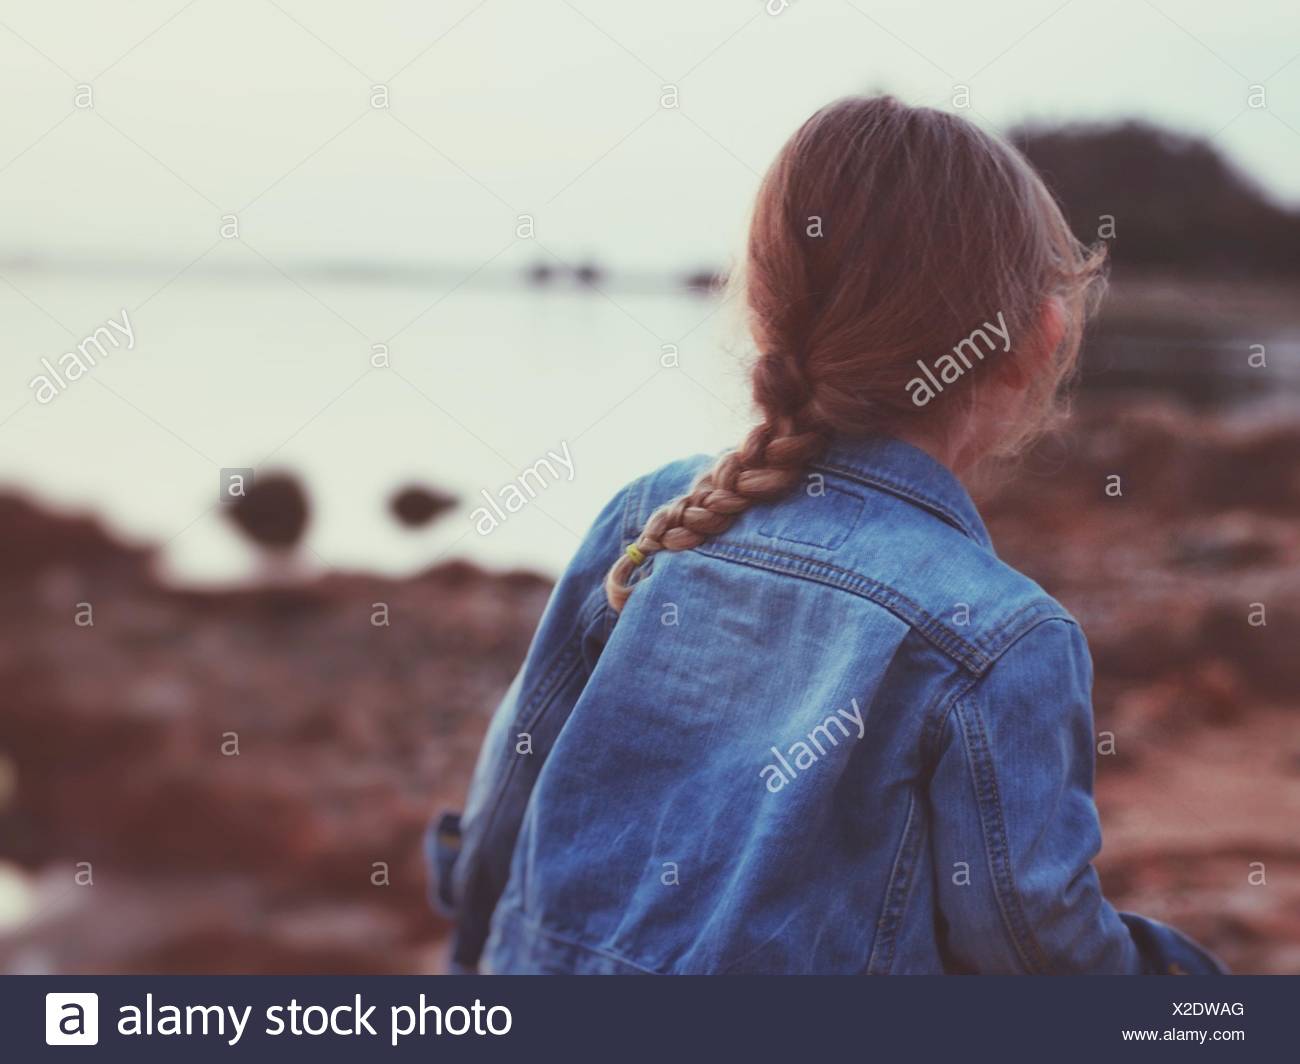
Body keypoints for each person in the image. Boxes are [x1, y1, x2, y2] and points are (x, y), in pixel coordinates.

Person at [428, 95, 1225, 975]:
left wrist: (475, 955)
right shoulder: (1002, 638)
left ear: (767, 313)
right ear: (1040, 339)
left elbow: (511, 791)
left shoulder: (648, 520)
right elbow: (1031, 943)